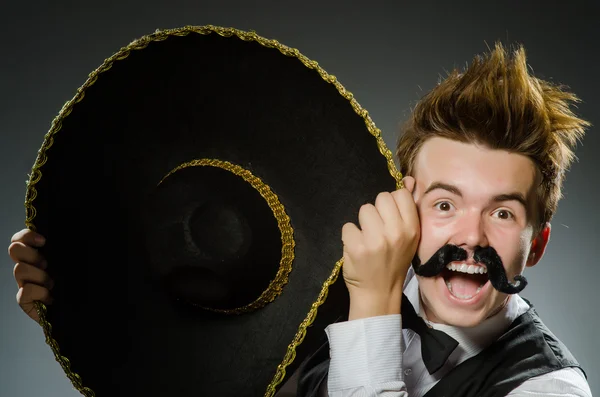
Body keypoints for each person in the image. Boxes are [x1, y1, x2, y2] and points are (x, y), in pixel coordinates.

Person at [9, 43, 593, 397]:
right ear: (406, 206)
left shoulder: (547, 388)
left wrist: (372, 308)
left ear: (535, 244)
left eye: (501, 212)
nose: (468, 237)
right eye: (445, 204)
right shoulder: (338, 287)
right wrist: (95, 322)